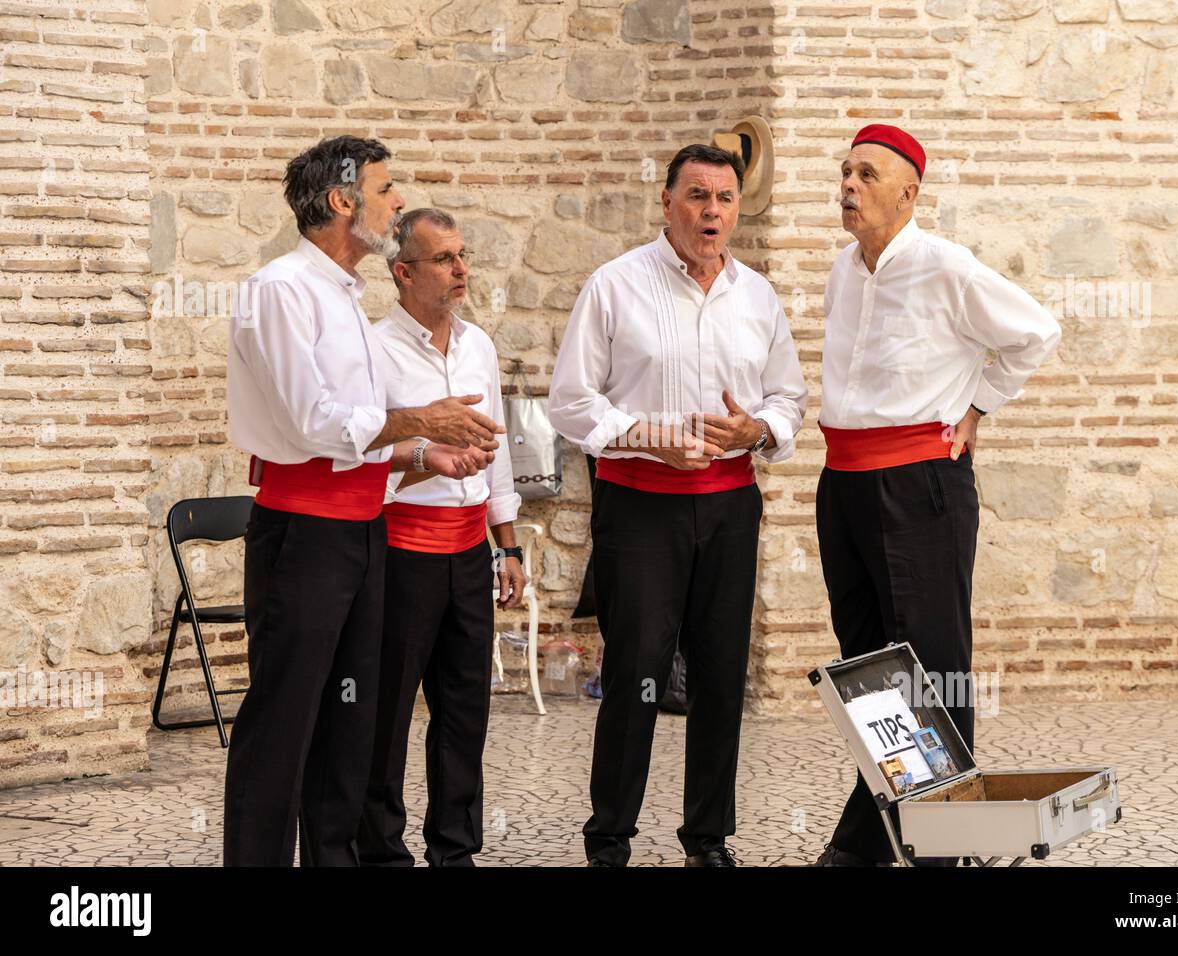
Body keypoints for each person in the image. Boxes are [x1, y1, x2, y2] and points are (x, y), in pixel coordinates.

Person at [223, 136, 504, 867]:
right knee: (284, 723)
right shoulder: (280, 290)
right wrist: (422, 421)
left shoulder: (345, 293)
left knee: (350, 722)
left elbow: (361, 437)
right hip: (305, 534)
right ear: (344, 200)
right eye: (386, 188)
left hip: (361, 528)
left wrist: (419, 452)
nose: (398, 201)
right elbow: (313, 423)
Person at [549, 143, 808, 867]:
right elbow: (571, 401)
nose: (712, 212)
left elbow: (789, 397)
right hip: (639, 511)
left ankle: (707, 839)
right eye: (697, 196)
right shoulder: (614, 285)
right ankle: (609, 840)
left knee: (723, 678)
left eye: (724, 199)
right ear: (666, 203)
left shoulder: (757, 295)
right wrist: (643, 437)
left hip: (729, 507)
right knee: (636, 674)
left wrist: (758, 429)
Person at [812, 124, 1061, 867]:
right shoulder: (842, 269)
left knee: (931, 667)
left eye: (867, 175)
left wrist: (978, 406)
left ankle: (938, 851)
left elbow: (1034, 332)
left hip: (920, 485)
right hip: (844, 483)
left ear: (908, 194)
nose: (849, 186)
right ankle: (876, 839)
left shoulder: (946, 265)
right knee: (869, 676)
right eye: (846, 172)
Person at [357, 208, 526, 867]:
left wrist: (506, 545)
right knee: (387, 711)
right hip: (401, 551)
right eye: (444, 259)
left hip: (468, 552)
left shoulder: (479, 345)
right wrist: (424, 452)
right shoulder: (374, 348)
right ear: (402, 272)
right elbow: (358, 450)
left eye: (463, 256)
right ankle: (381, 851)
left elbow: (498, 453)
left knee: (464, 710)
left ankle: (454, 851)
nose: (462, 269)